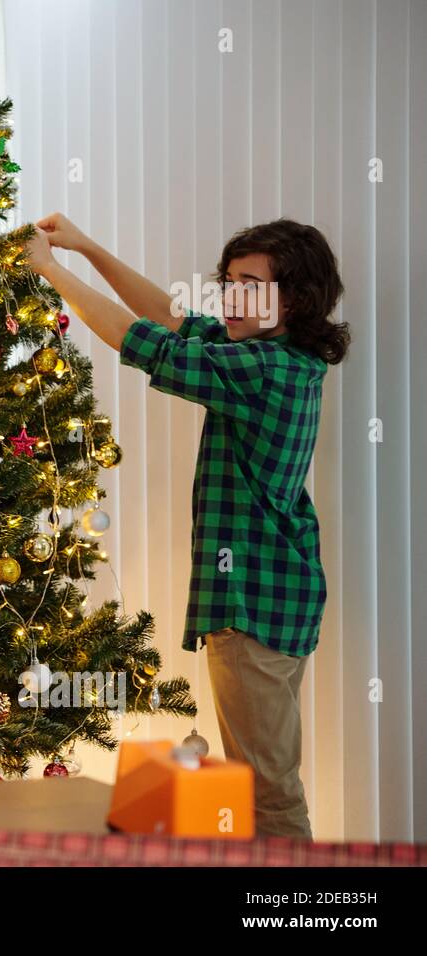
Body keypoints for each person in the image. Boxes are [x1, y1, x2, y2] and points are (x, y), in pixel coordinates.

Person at [25, 213, 350, 839]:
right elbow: (173, 319)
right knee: (264, 780)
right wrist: (90, 248)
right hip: (273, 595)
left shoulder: (265, 369)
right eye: (228, 281)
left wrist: (48, 269)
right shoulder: (274, 355)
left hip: (254, 599)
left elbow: (145, 342)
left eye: (250, 284)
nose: (232, 296)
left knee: (267, 791)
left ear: (296, 299)